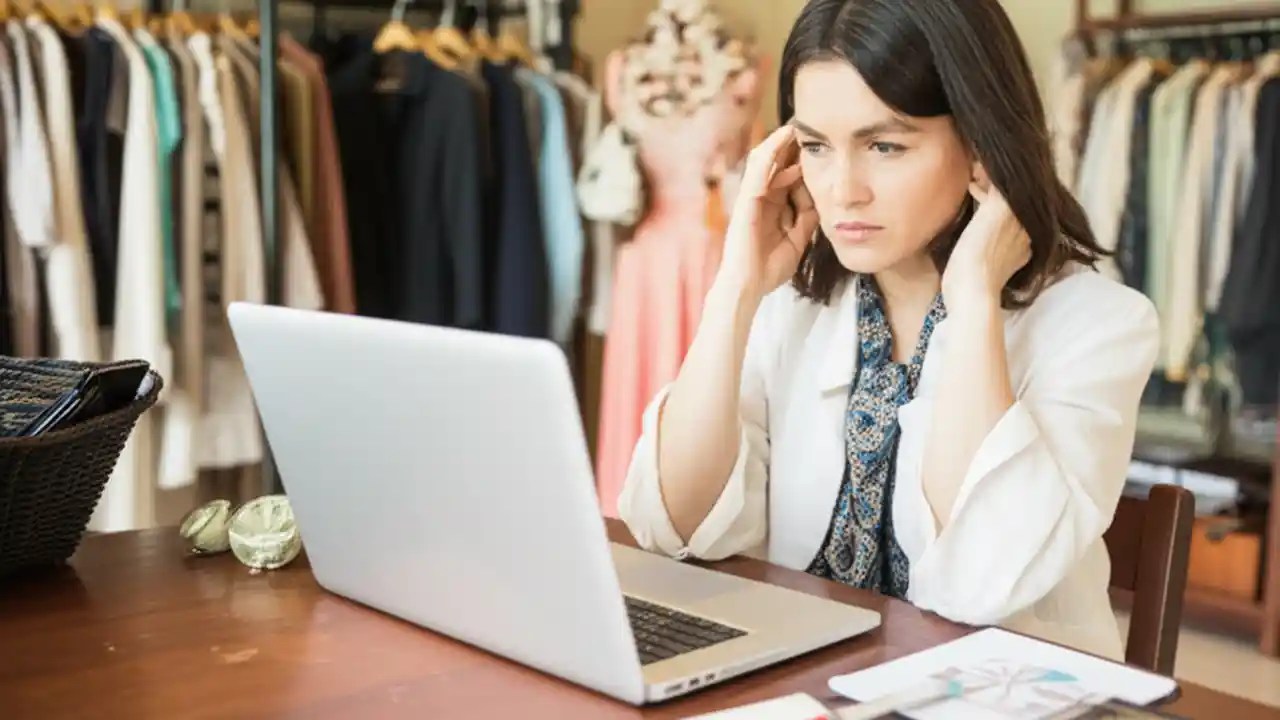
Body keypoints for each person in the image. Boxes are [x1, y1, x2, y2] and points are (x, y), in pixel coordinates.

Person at [617, 0, 1159, 660]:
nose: (843, 189)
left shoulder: (1100, 326)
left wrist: (974, 299)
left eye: (884, 146)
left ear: (981, 142)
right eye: (815, 146)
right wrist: (735, 289)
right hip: (805, 684)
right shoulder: (790, 308)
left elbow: (980, 584)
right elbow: (673, 527)